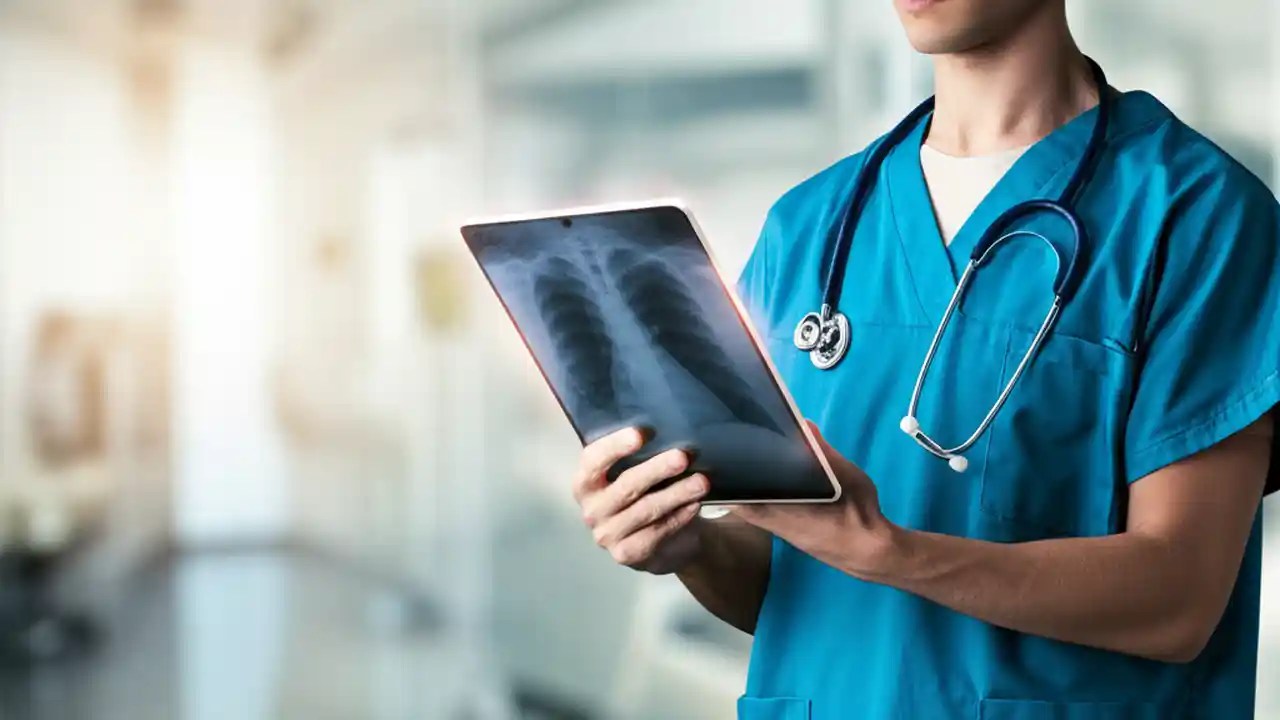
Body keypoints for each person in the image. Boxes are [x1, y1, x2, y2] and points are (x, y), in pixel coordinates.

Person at [571, 1, 1280, 718]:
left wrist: (892, 551)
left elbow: (1178, 600)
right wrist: (689, 545)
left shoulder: (1195, 216)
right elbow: (792, 578)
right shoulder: (810, 227)